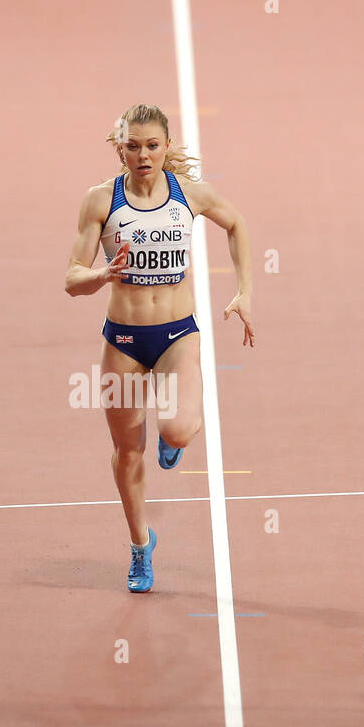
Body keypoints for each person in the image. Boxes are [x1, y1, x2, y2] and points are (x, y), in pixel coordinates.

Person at [65, 103, 255, 592]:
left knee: (179, 428)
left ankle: (175, 439)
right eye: (133, 146)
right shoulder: (99, 201)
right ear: (120, 149)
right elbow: (71, 278)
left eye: (153, 145)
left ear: (166, 145)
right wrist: (102, 275)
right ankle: (140, 545)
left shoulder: (188, 196)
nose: (143, 155)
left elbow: (235, 224)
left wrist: (245, 291)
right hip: (124, 341)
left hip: (176, 334)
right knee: (128, 454)